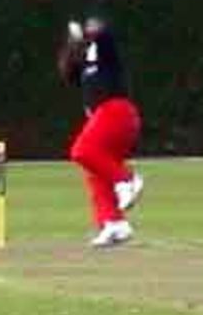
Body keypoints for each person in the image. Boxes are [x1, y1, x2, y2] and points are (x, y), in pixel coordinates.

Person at [58, 16, 143, 247]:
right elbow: (67, 73)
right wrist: (72, 45)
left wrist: (95, 31)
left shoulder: (106, 53)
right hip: (102, 117)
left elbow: (105, 38)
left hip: (118, 112)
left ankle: (127, 179)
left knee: (81, 151)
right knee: (95, 172)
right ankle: (114, 224)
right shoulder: (85, 64)